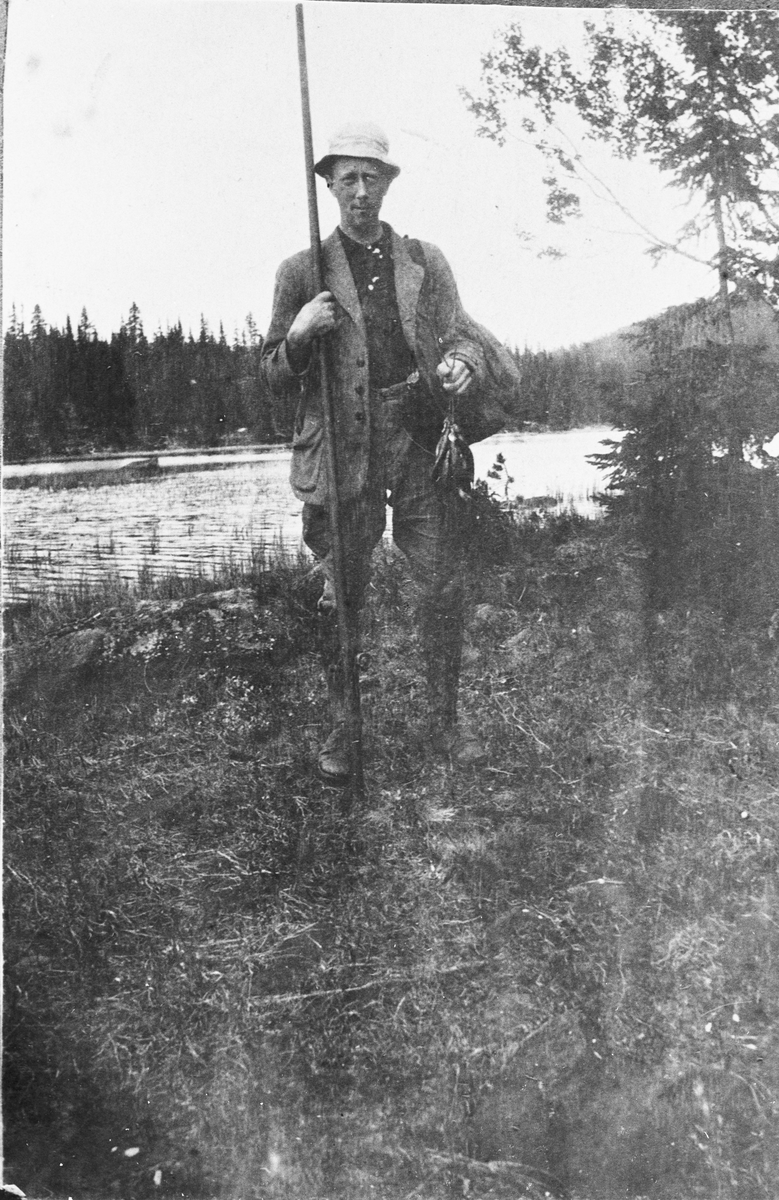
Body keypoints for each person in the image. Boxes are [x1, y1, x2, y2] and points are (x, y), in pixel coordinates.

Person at [262, 121, 497, 784]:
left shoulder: (426, 260)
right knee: (341, 593)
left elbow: (464, 335)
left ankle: (444, 726)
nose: (361, 191)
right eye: (348, 179)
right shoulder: (302, 271)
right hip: (341, 449)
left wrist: (463, 363)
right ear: (330, 186)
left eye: (372, 177)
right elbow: (271, 374)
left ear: (388, 184)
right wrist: (300, 335)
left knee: (440, 582)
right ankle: (346, 729)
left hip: (419, 438)